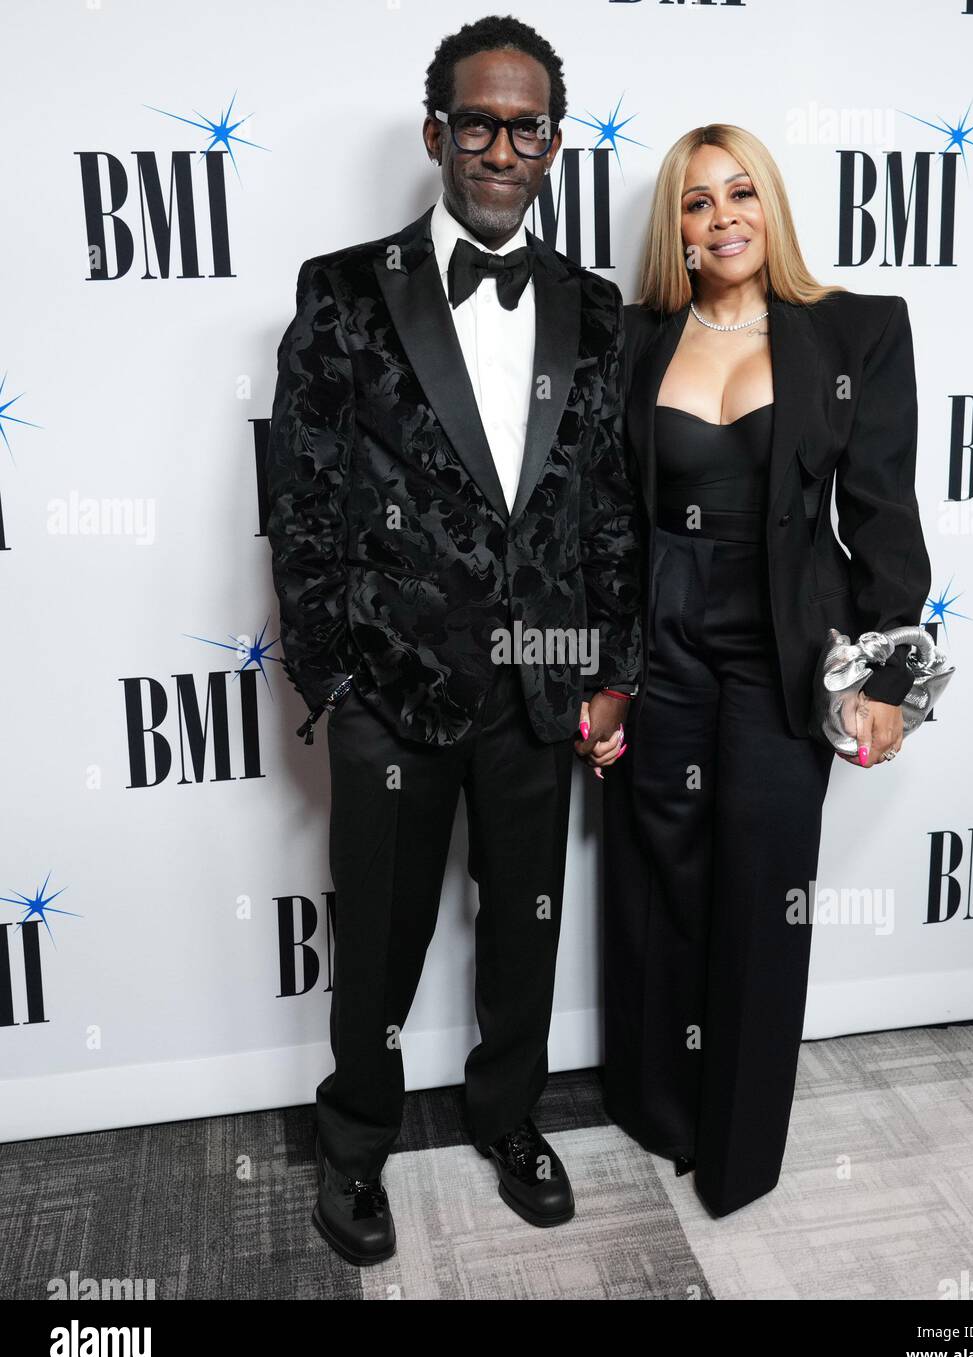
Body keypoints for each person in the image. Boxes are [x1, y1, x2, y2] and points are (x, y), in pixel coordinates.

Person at [265, 15, 642, 1265]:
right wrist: (334, 674)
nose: (497, 146)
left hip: (541, 685)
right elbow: (302, 499)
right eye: (474, 122)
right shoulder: (343, 289)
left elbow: (608, 508)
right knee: (376, 937)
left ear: (552, 144)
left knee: (522, 926)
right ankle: (356, 1141)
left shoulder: (594, 308)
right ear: (436, 132)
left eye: (523, 126)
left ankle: (508, 1115)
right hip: (393, 683)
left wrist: (607, 671)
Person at [601, 124, 931, 1219]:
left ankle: (737, 1151)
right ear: (677, 228)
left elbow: (880, 510)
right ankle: (660, 1106)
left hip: (786, 649)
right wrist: (599, 668)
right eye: (696, 203)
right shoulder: (635, 335)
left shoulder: (856, 330)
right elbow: (604, 516)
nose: (721, 217)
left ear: (771, 205)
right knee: (659, 868)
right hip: (663, 639)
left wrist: (886, 682)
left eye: (740, 193)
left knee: (762, 881)